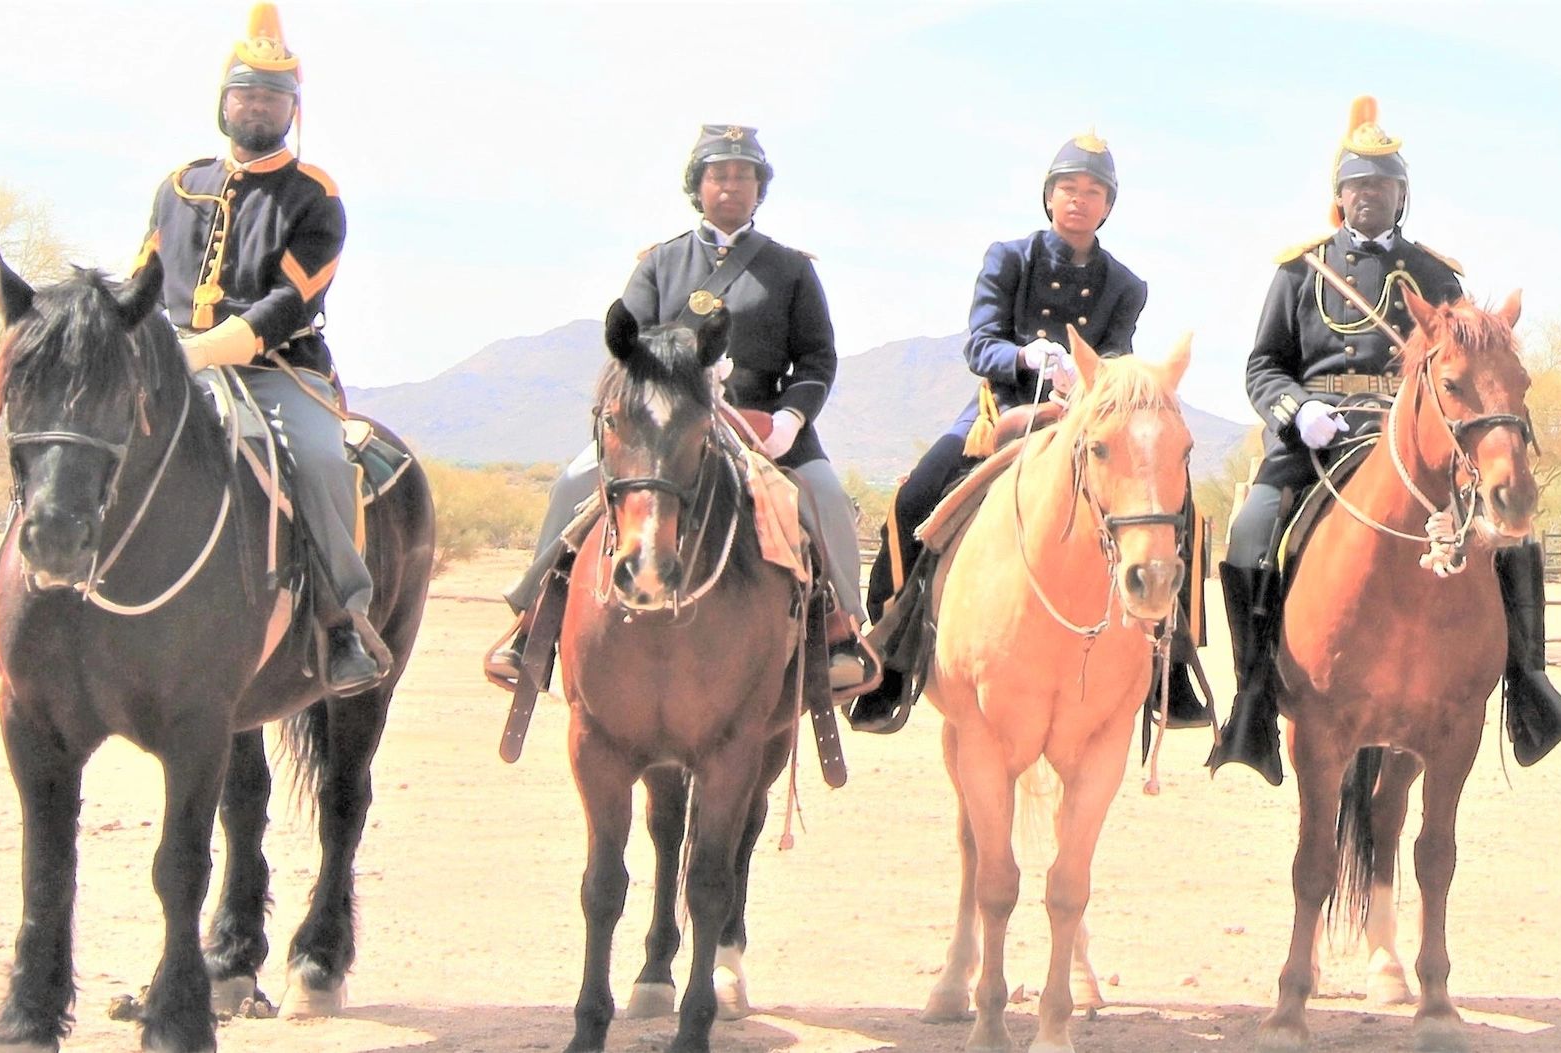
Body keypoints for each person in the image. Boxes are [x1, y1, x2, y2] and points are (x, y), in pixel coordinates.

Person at [0, 2, 387, 693]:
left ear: (291, 109)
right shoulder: (177, 188)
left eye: (273, 96)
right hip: (167, 363)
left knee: (323, 460)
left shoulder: (314, 196)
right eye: (246, 93)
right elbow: (144, 279)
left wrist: (206, 351)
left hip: (276, 373)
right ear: (223, 103)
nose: (257, 106)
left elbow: (292, 300)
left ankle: (339, 622)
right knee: (72, 435)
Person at [1206, 97, 1561, 785]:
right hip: (1316, 438)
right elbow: (1263, 366)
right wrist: (1297, 409)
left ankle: (1529, 685)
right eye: (1356, 184)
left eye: (1382, 183)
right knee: (1251, 532)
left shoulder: (1438, 276)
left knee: (1512, 536)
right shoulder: (1299, 272)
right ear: (1339, 197)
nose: (1368, 194)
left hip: (1415, 434)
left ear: (1402, 195)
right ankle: (1253, 698)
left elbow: (1471, 366)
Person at [486, 124, 871, 690]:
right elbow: (630, 347)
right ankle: (533, 626)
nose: (732, 186)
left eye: (744, 175)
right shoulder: (659, 264)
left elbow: (817, 358)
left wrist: (791, 419)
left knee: (826, 497)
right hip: (665, 421)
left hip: (763, 422)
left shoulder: (792, 269)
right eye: (719, 174)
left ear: (760, 189)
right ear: (698, 185)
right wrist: (683, 370)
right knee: (572, 483)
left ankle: (843, 632)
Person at [847, 133, 1208, 735]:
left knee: (1180, 510)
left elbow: (1115, 363)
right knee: (914, 498)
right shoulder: (1009, 258)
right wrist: (1027, 358)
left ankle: (1172, 660)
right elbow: (979, 343)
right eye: (1068, 188)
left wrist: (1090, 386)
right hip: (1000, 409)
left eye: (1093, 191)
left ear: (1108, 206)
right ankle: (888, 655)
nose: (1079, 200)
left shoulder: (1127, 285)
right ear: (1048, 196)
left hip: (1086, 415)